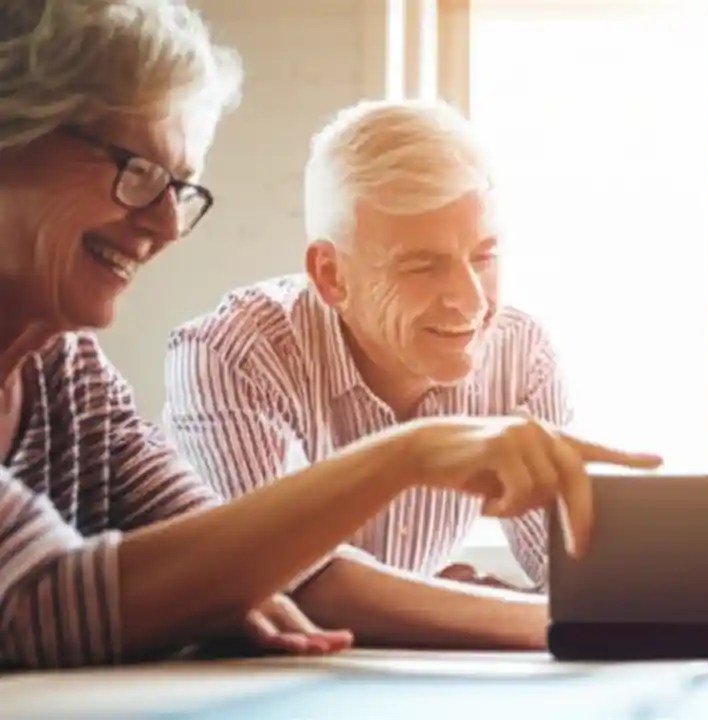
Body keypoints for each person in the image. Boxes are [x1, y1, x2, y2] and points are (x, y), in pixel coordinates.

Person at [0, 0, 657, 669]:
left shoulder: (68, 370)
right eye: (135, 170)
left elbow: (231, 555)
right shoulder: (229, 348)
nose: (169, 227)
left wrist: (239, 594)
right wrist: (409, 455)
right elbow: (34, 605)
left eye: (180, 187)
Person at [162, 97, 581, 646]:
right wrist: (548, 621)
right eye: (423, 266)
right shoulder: (233, 354)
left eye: (484, 256)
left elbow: (574, 564)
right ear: (331, 275)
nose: (471, 300)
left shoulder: (521, 352)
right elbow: (294, 580)